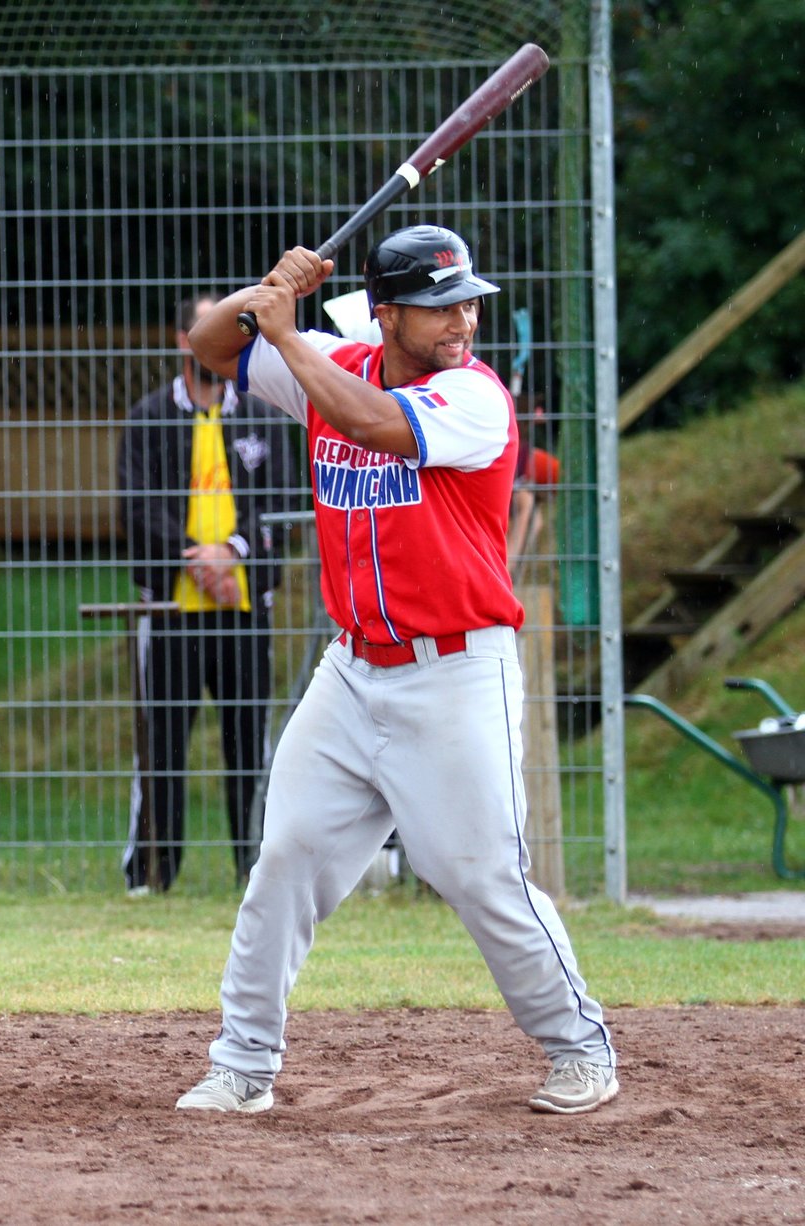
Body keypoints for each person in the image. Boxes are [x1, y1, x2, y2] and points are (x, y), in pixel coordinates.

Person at [172, 225, 618, 1116]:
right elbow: (209, 346)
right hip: (351, 672)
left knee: (480, 874)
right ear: (384, 316)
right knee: (287, 858)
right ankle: (244, 1062)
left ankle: (580, 1047)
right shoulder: (334, 361)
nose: (461, 320)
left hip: (455, 669)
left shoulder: (475, 398)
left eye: (467, 303)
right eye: (437, 305)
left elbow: (369, 421)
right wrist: (269, 293)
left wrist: (288, 333)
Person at [118, 295, 302, 894]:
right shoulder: (147, 419)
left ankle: (255, 872)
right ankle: (153, 874)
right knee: (162, 743)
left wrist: (236, 553)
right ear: (183, 341)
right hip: (170, 607)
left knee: (249, 745)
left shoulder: (264, 416)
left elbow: (280, 506)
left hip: (246, 609)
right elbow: (135, 506)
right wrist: (194, 559)